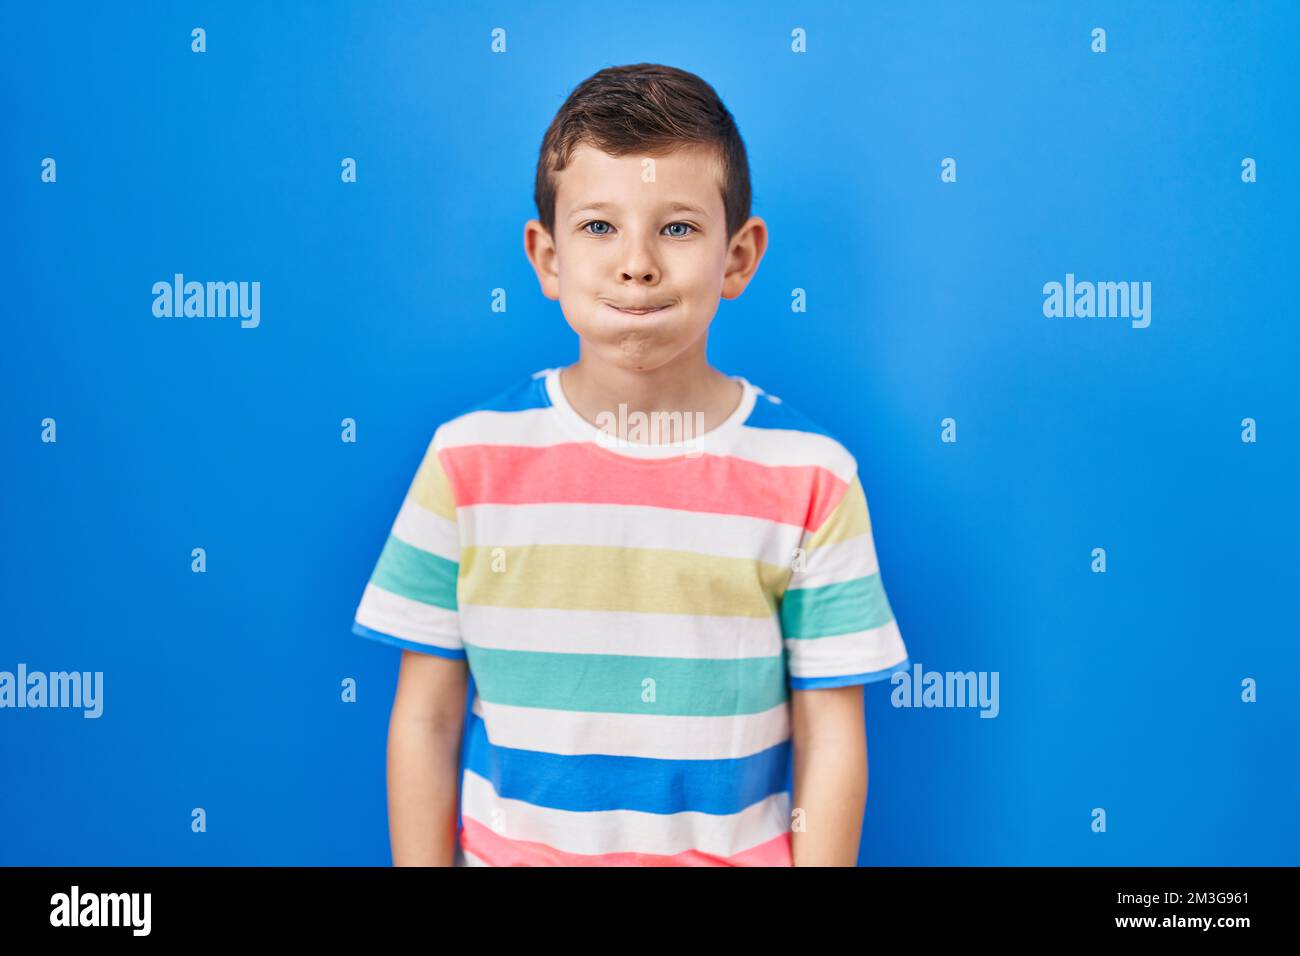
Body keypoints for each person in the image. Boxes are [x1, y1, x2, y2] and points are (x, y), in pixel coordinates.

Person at [352, 63, 910, 866]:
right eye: (599, 227)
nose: (637, 264)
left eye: (677, 228)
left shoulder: (812, 478)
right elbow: (426, 719)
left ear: (739, 256)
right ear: (546, 257)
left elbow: (831, 734)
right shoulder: (466, 462)